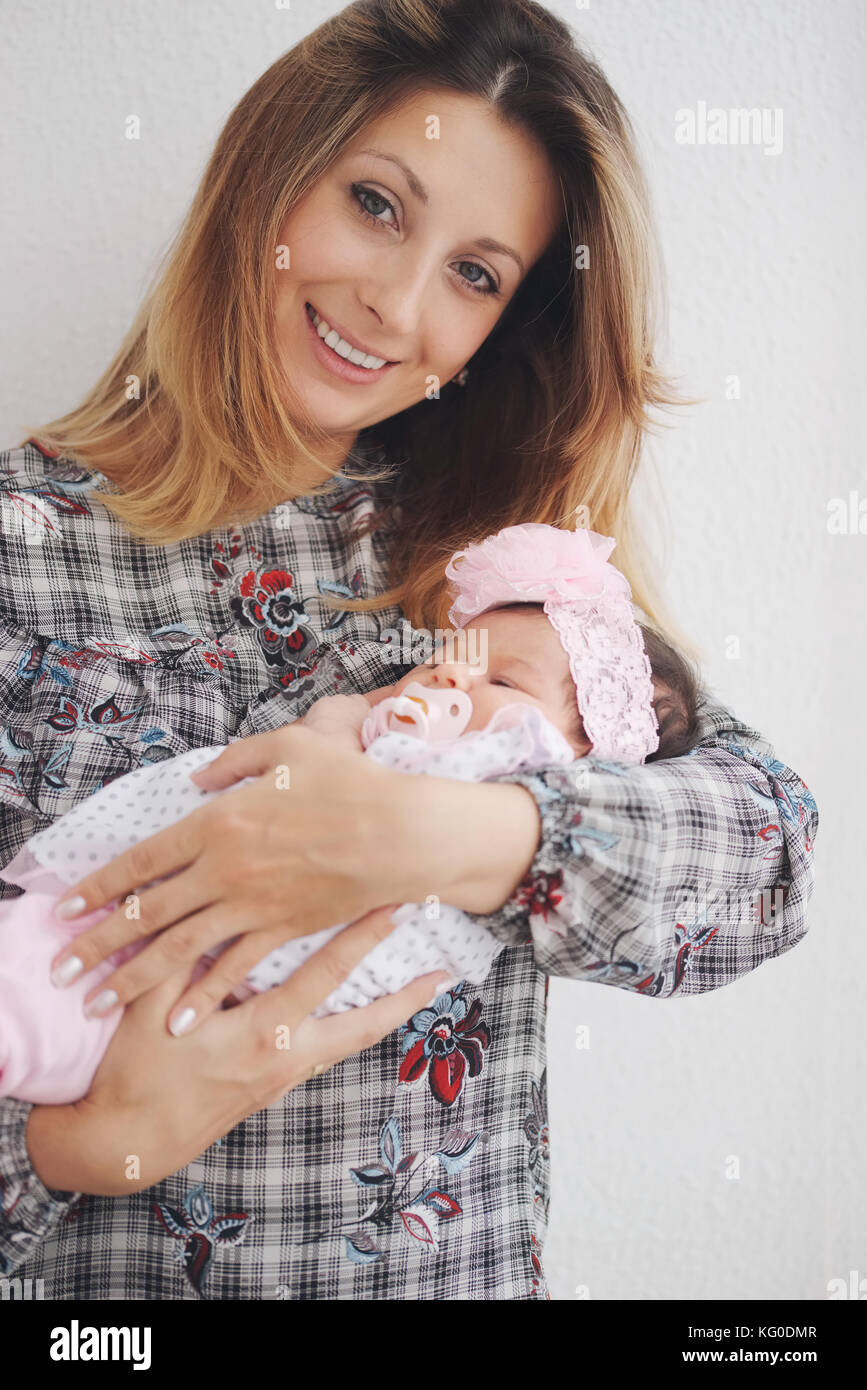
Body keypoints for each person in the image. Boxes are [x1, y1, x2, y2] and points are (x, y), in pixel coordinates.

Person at [0, 0, 817, 1299]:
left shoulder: (507, 577)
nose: (393, 301)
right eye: (377, 204)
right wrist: (78, 1146)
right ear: (268, 175)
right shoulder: (26, 545)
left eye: (476, 274)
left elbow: (765, 856)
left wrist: (451, 840)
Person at [1, 523, 705, 1104]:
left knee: (58, 1016)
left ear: (580, 753)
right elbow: (343, 732)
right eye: (452, 656)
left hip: (221, 982)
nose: (448, 676)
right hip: (135, 903)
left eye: (500, 679)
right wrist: (339, 722)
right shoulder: (394, 728)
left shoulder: (514, 769)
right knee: (41, 955)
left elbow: (750, 835)